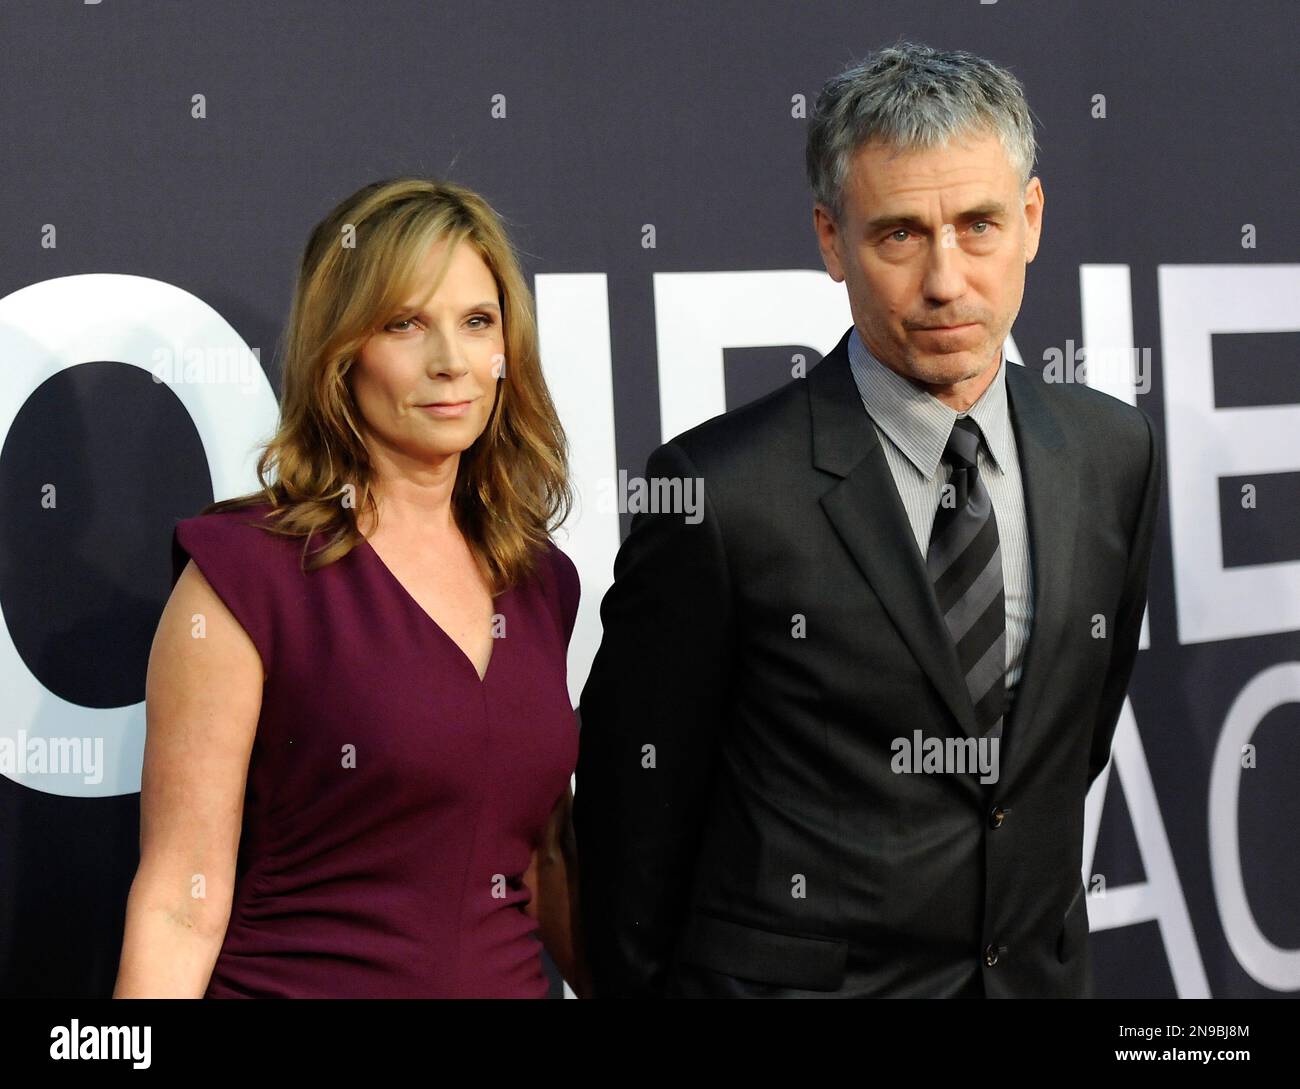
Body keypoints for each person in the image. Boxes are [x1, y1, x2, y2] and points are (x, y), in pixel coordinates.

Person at [574, 43, 1161, 998]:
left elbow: (1063, 750)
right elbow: (631, 815)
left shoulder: (1111, 451)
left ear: (1033, 220)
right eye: (899, 235)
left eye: (979, 225)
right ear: (831, 239)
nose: (945, 280)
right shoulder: (718, 492)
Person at [114, 177, 590, 998]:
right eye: (406, 324)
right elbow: (179, 905)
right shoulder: (245, 576)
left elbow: (542, 865)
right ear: (343, 351)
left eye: (477, 322)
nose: (451, 361)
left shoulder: (540, 579)